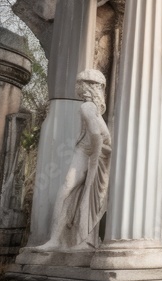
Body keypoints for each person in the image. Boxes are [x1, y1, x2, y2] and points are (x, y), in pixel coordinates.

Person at [37, 70, 110, 251]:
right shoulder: (91, 108)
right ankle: (59, 239)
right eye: (80, 85)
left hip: (91, 152)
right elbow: (101, 136)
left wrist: (94, 160)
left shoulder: (87, 108)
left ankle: (58, 239)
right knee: (70, 190)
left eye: (82, 84)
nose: (79, 88)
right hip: (89, 151)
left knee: (66, 189)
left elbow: (96, 135)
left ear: (91, 87)